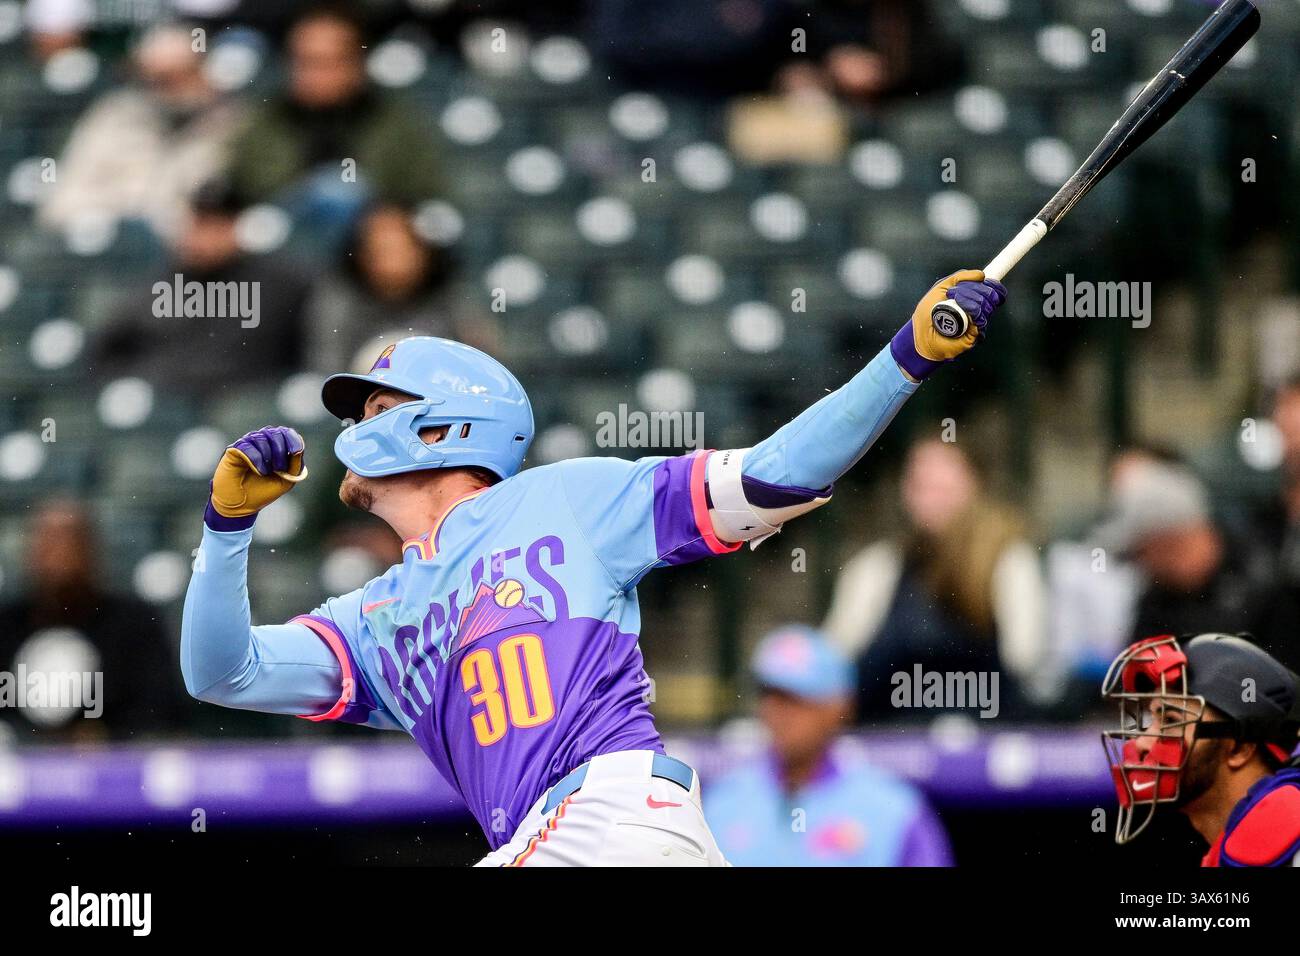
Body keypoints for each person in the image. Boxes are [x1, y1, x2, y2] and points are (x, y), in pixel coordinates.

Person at [179, 269, 1007, 866]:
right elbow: (221, 673)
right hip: (563, 837)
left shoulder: (567, 500)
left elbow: (772, 476)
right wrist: (226, 529)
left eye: (379, 407)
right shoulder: (372, 617)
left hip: (613, 817)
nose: (357, 425)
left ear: (442, 430)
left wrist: (905, 359)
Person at [823, 437, 1048, 720]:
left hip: (986, 733)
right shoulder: (878, 567)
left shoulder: (1008, 560)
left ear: (973, 485)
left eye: (943, 488)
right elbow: (833, 662)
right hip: (889, 732)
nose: (930, 500)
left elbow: (1025, 659)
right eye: (921, 487)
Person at [706, 626, 952, 866]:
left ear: (838, 708)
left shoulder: (895, 810)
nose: (778, 713)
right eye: (769, 696)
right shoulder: (719, 802)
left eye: (795, 699)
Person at [91, 178, 310, 397]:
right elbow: (106, 350)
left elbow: (300, 362)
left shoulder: (281, 284)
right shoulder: (162, 283)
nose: (204, 237)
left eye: (216, 224)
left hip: (242, 408)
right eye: (199, 222)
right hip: (163, 404)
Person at [1102, 633, 1300, 865]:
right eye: (1151, 719)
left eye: (1171, 721)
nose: (1142, 743)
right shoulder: (1225, 852)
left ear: (1239, 748)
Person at [226, 7, 442, 215]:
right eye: (305, 61)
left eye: (329, 62)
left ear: (358, 64)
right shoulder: (261, 123)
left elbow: (423, 201)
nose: (315, 76)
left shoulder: (398, 127)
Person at [38, 23, 243, 241]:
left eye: (178, 76)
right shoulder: (113, 118)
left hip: (188, 261)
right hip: (111, 252)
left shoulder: (235, 125)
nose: (163, 89)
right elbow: (60, 204)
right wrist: (120, 220)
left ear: (204, 71)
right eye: (153, 78)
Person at [0, 500, 184, 740]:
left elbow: (160, 714)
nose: (58, 557)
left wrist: (106, 736)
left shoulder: (135, 625)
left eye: (69, 542)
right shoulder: (6, 626)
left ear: (91, 551)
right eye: (47, 543)